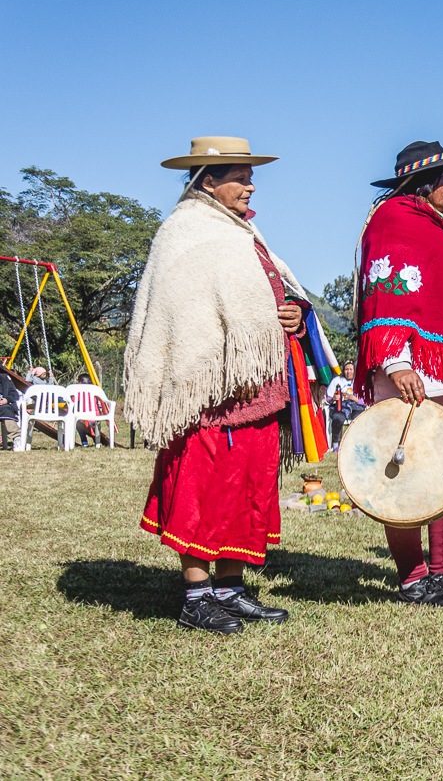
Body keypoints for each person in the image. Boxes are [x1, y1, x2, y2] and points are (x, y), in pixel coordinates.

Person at [125, 136, 301, 633]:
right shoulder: (184, 233)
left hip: (257, 390)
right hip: (209, 395)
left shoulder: (244, 232)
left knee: (244, 489)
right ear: (208, 181)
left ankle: (229, 589)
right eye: (239, 179)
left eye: (250, 178)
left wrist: (292, 311)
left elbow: (280, 290)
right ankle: (196, 597)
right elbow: (183, 317)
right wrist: (225, 368)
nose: (249, 187)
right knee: (202, 490)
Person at [356, 140, 443, 607]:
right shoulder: (394, 219)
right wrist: (395, 362)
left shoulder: (438, 226)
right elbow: (386, 291)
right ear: (421, 183)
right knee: (408, 473)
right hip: (414, 369)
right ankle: (414, 577)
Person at [325, 361, 366, 447]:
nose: (348, 372)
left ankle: (355, 444)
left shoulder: (360, 381)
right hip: (341, 406)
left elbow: (366, 401)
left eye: (351, 369)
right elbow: (328, 399)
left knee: (358, 419)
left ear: (355, 370)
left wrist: (352, 398)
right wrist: (333, 399)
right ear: (343, 371)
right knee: (337, 418)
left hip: (356, 407)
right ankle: (335, 443)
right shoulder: (337, 381)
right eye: (346, 369)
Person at [0, 370, 19, 449]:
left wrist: (6, 400)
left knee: (6, 409)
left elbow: (14, 394)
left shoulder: (5, 380)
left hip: (3, 405)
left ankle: (17, 437)